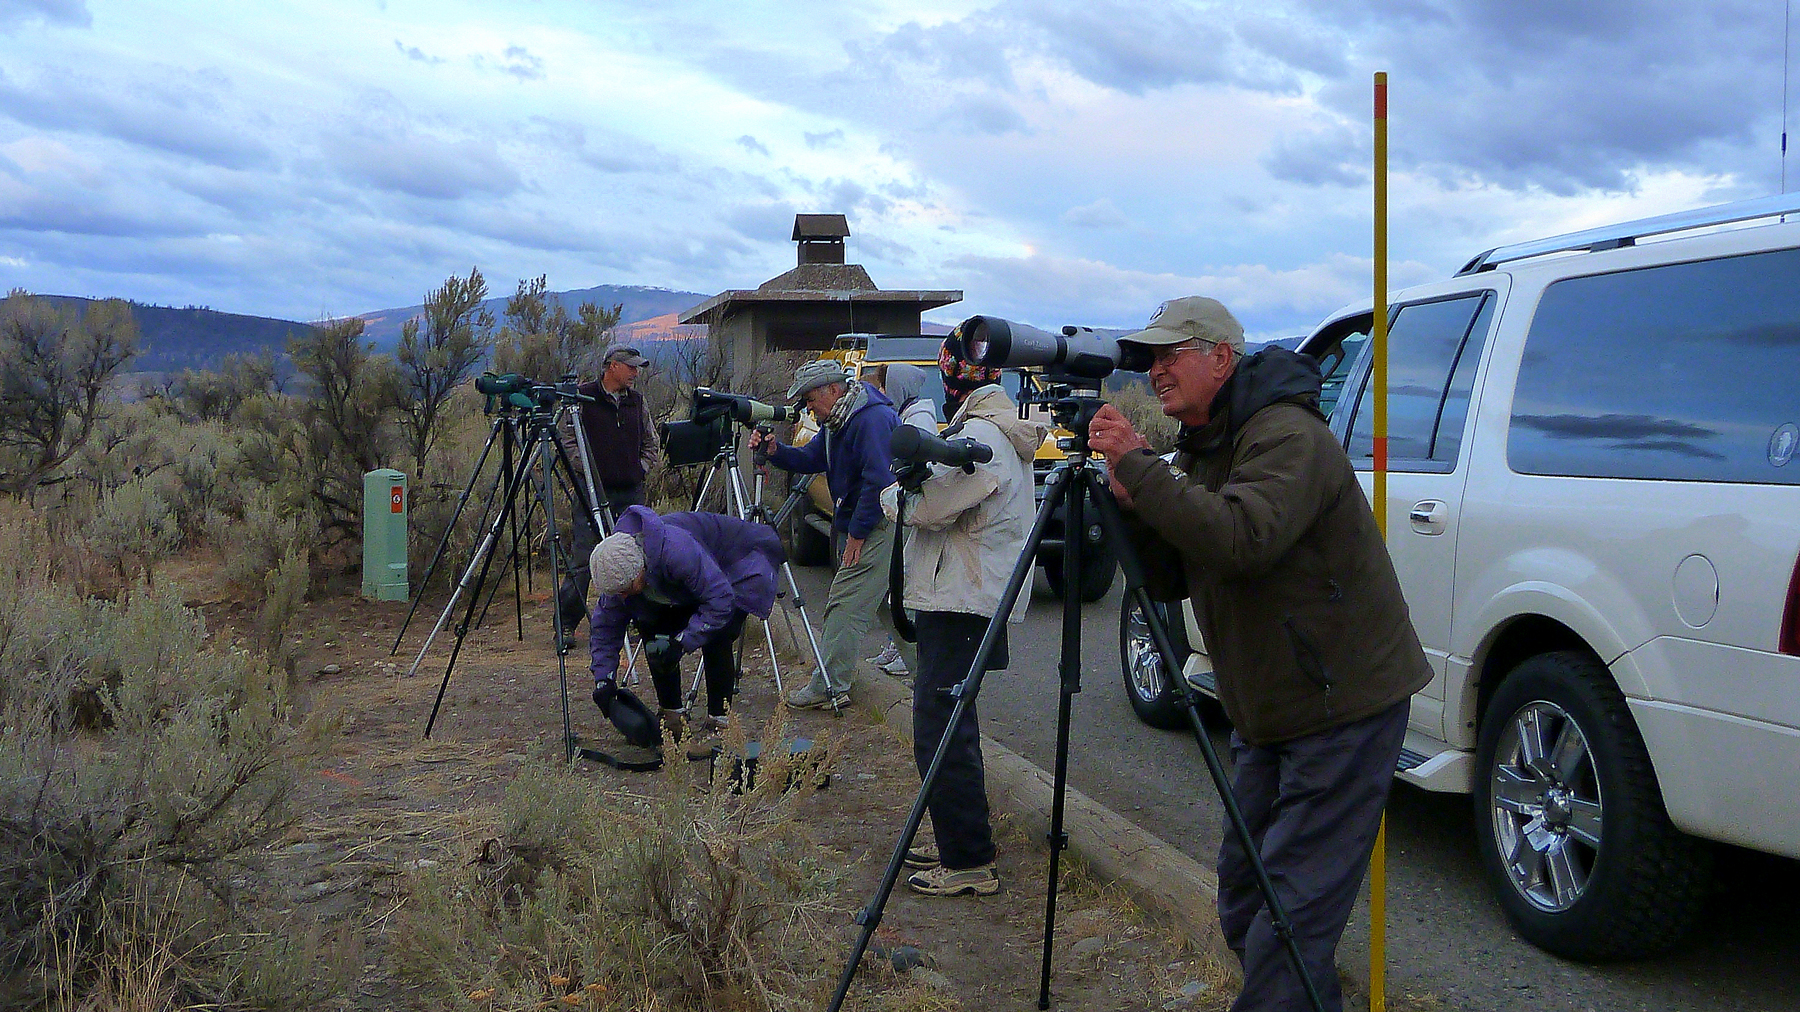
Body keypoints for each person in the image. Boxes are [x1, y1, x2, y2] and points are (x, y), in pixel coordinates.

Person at [1085, 296, 1431, 1012]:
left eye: (1169, 354)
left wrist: (1145, 470)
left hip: (1341, 709)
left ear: (1220, 357)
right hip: (1270, 713)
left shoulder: (1285, 435)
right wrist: (1130, 502)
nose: (1156, 371)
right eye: (1150, 358)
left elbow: (1242, 539)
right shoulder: (1206, 444)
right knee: (1246, 903)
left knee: (1287, 921)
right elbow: (1175, 575)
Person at [880, 344, 1040, 897]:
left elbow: (928, 508)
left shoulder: (987, 438)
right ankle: (959, 838)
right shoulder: (993, 425)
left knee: (938, 730)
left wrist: (893, 491)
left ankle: (968, 861)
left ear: (952, 380)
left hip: (963, 598)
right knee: (954, 727)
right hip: (965, 594)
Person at [748, 360, 900, 709]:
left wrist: (857, 535)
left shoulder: (870, 420)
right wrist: (775, 452)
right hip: (865, 521)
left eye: (809, 399)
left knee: (844, 604)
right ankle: (931, 679)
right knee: (892, 606)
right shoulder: (839, 420)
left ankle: (830, 685)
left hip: (875, 523)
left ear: (833, 390)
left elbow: (879, 482)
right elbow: (811, 458)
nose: (807, 408)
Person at [587, 505, 787, 758]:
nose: (622, 595)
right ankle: (672, 718)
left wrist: (682, 643)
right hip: (681, 585)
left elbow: (720, 601)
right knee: (651, 629)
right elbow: (606, 627)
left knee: (718, 635)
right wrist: (604, 680)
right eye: (618, 592)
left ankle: (719, 723)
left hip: (734, 564)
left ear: (640, 568)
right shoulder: (620, 571)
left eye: (625, 587)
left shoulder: (676, 551)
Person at [559, 346, 658, 637]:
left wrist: (639, 469)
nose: (635, 373)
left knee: (637, 556)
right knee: (583, 560)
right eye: (630, 367)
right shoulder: (582, 399)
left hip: (630, 493)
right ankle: (566, 624)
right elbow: (567, 440)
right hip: (591, 494)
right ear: (612, 367)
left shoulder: (637, 402)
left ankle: (639, 618)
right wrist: (589, 472)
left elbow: (651, 442)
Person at [865, 362, 938, 678]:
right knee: (899, 580)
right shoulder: (907, 415)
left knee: (906, 580)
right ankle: (897, 645)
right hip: (905, 507)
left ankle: (909, 650)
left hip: (912, 510)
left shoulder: (918, 420)